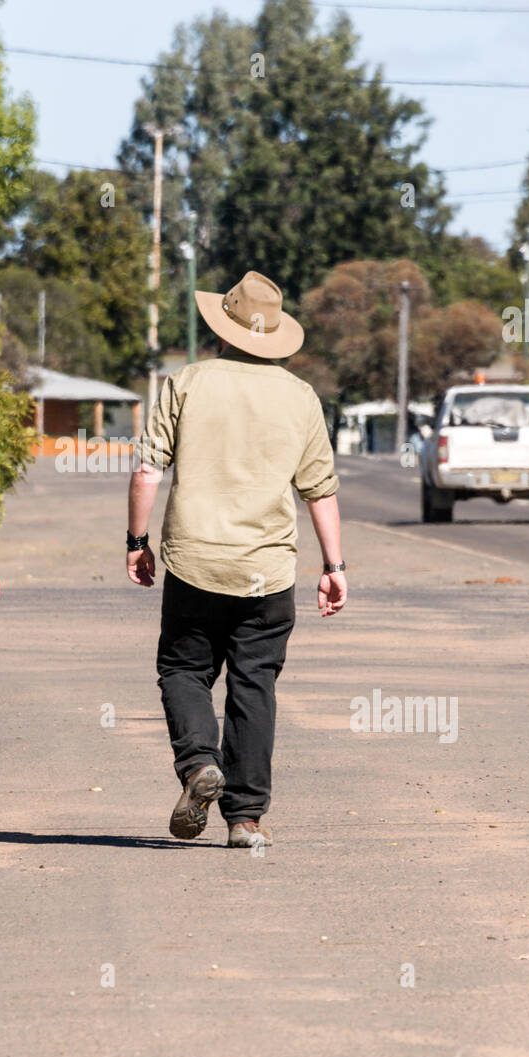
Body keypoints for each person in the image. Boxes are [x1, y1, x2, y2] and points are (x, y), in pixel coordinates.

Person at [126, 271, 346, 849]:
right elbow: (319, 490)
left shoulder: (186, 382)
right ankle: (245, 820)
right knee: (255, 687)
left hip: (195, 562)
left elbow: (148, 469)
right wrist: (334, 566)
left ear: (221, 327)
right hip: (268, 571)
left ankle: (200, 764)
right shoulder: (299, 397)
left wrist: (136, 541)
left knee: (184, 669)